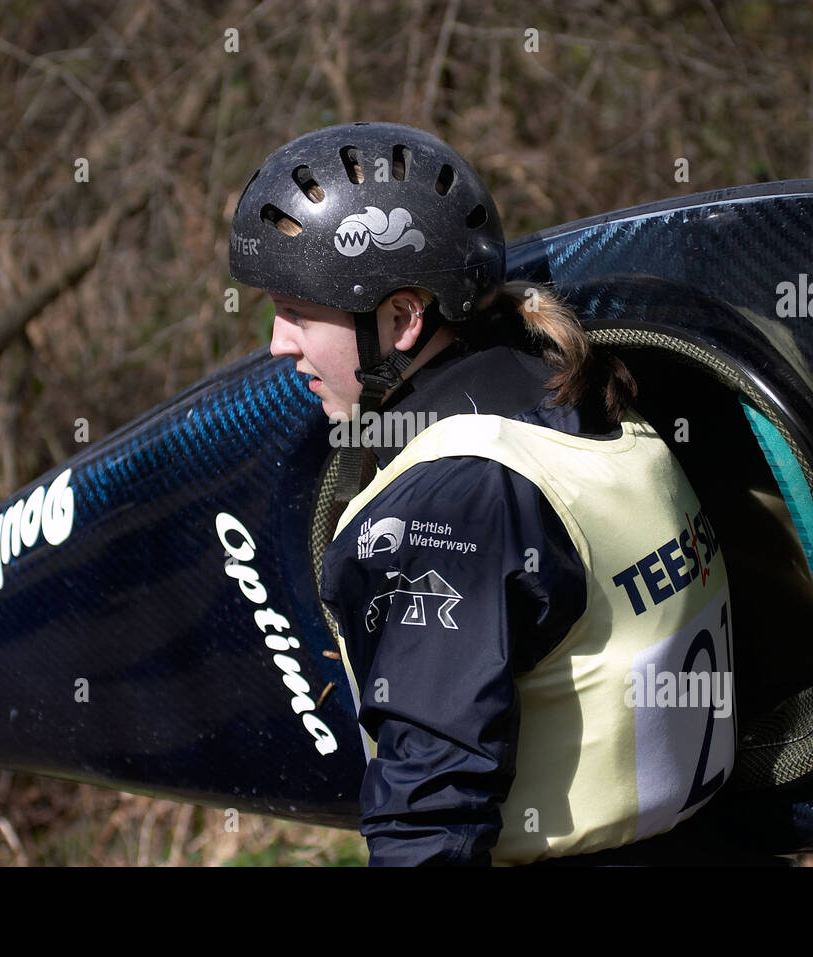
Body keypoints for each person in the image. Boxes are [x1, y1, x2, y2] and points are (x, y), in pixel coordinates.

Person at [230, 122, 735, 866]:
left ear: (402, 319)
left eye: (300, 311)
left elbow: (430, 815)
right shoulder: (570, 390)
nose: (278, 342)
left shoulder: (448, 505)